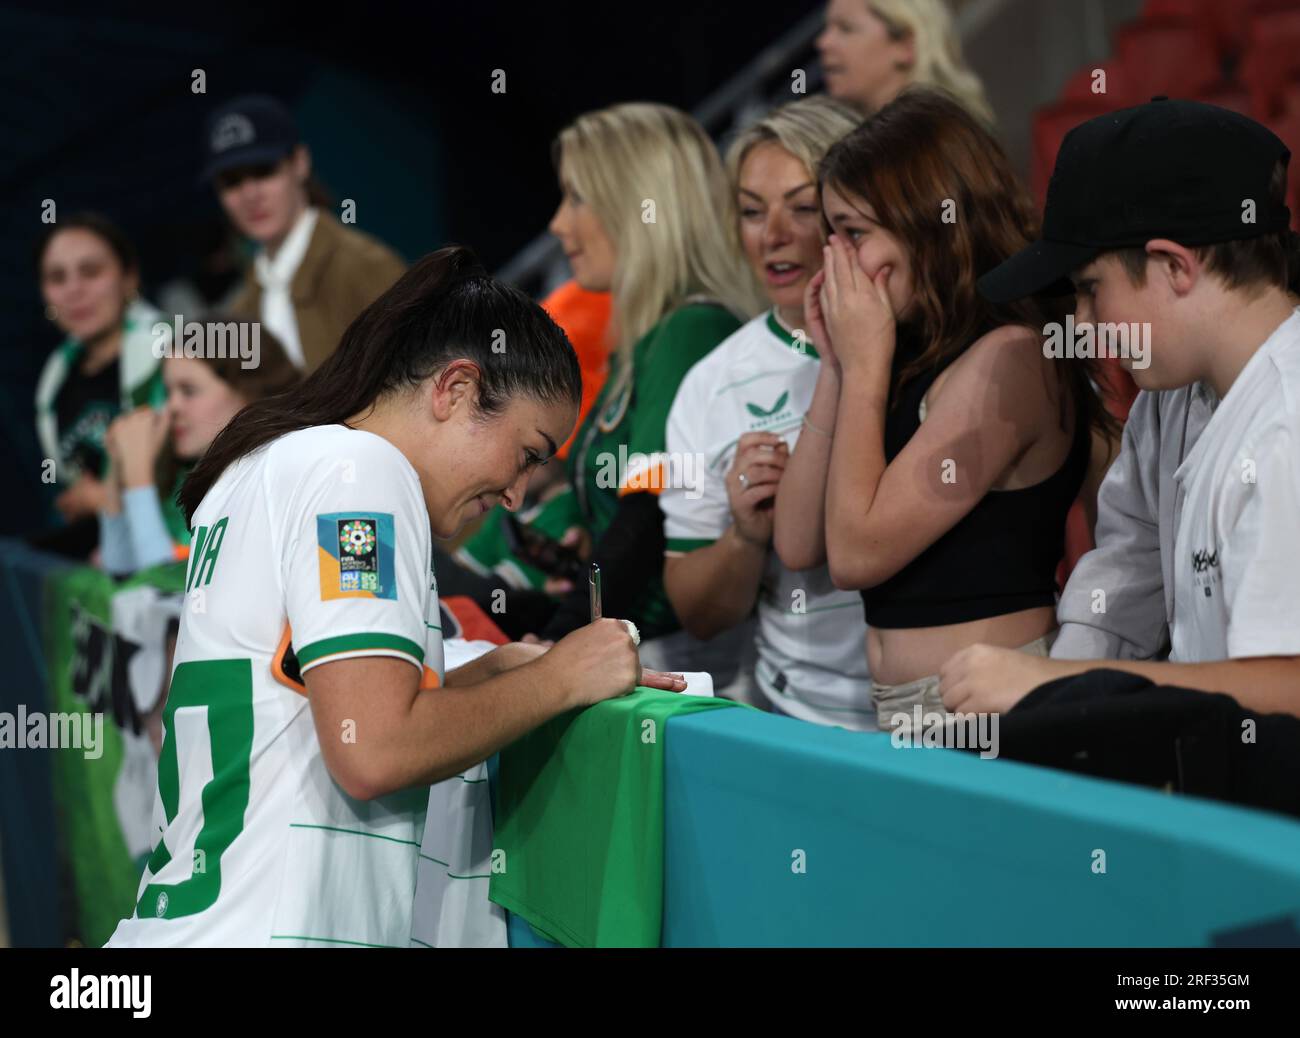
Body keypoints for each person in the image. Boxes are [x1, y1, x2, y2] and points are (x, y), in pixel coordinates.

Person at [104, 246, 685, 948]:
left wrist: (504, 670)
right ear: (456, 389)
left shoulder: (274, 462)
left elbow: (301, 701)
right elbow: (371, 750)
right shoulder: (359, 473)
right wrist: (560, 681)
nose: (516, 493)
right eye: (529, 453)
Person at [938, 98, 1300, 720]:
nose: (1082, 325)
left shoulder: (1285, 425)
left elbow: (1288, 692)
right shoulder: (1170, 399)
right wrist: (1052, 701)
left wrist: (1057, 687)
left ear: (1174, 266)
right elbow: (1124, 573)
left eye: (1088, 289)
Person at [773, 89, 1113, 732]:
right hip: (907, 715)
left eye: (853, 234)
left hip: (992, 713)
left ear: (927, 224)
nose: (834, 260)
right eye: (831, 235)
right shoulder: (897, 346)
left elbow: (856, 555)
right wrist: (835, 365)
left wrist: (866, 365)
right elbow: (799, 543)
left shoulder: (1008, 357)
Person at [455, 103, 764, 665]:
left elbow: (644, 524)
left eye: (578, 197)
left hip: (677, 669)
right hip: (642, 653)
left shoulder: (689, 329)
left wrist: (561, 642)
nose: (558, 225)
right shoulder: (647, 340)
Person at [660, 96, 875, 727]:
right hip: (801, 717)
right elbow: (697, 610)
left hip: (944, 709)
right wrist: (746, 538)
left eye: (802, 208)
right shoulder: (710, 383)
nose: (772, 234)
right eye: (752, 212)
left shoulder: (929, 340)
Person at [203, 94, 406, 372]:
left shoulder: (364, 265)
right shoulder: (246, 300)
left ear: (300, 162)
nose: (250, 194)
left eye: (264, 171)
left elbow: (418, 380)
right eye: (231, 182)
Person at [98, 317, 301, 575]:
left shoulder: (274, 475)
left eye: (189, 391)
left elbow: (172, 591)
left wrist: (139, 478)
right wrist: (117, 476)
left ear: (248, 393)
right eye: (169, 392)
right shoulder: (190, 473)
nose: (172, 407)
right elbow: (121, 573)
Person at [33, 213, 166, 557]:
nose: (74, 289)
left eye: (91, 272)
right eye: (57, 277)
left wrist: (101, 500)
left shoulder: (177, 357)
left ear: (129, 278)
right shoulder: (55, 379)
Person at [816, 0, 993, 123]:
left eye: (846, 28)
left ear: (905, 46)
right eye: (827, 28)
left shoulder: (942, 140)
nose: (823, 42)